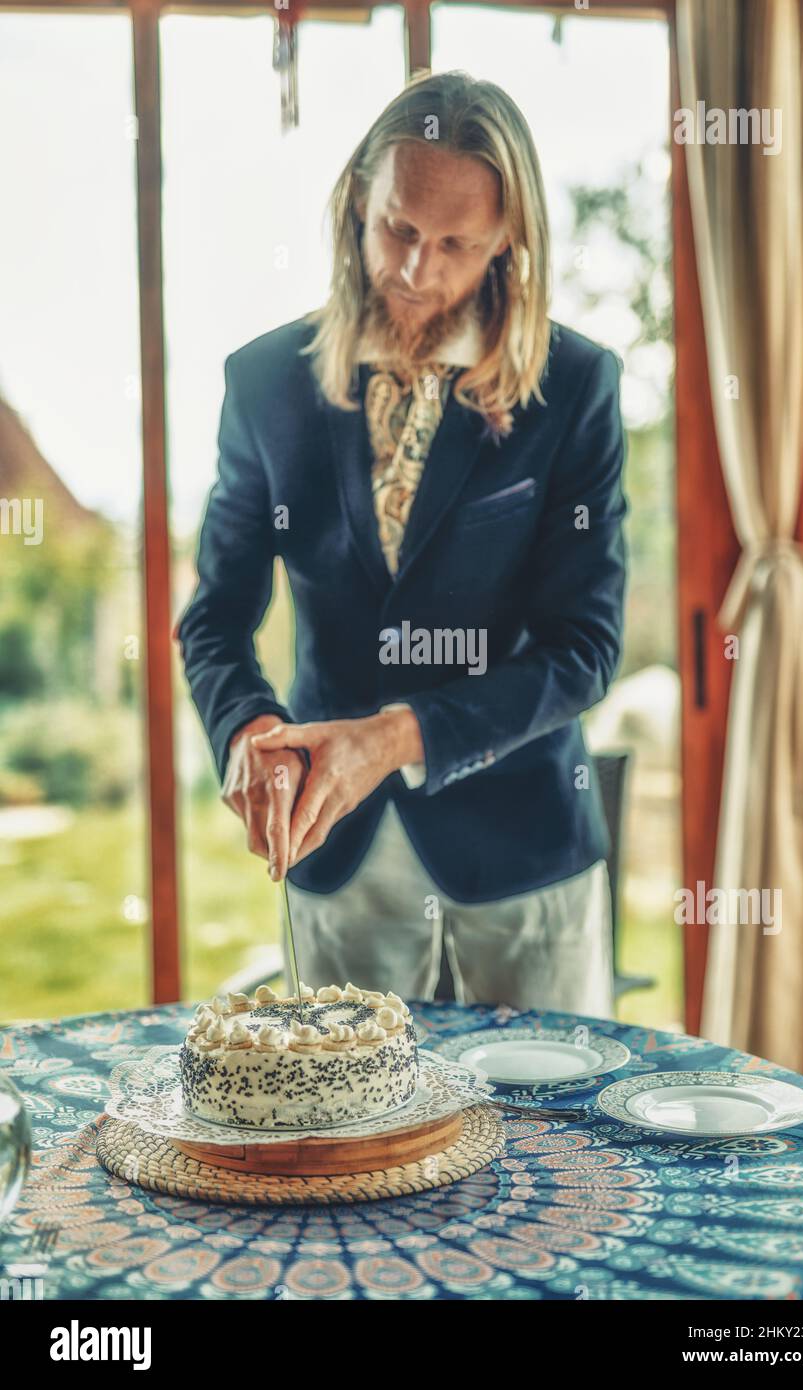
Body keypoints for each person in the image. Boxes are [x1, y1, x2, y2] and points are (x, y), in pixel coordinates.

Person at [176, 70, 628, 1017]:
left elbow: (581, 652)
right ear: (355, 203)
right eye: (398, 229)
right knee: (349, 1148)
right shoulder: (265, 383)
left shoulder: (575, 387)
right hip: (333, 856)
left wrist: (394, 739)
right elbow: (214, 617)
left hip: (523, 854)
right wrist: (249, 730)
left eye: (457, 244)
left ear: (508, 241)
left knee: (551, 1145)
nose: (418, 270)